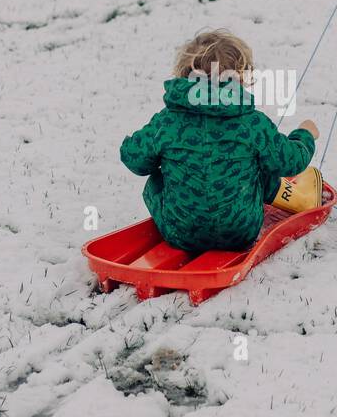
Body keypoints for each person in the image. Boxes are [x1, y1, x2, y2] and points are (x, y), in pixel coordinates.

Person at [120, 29, 322, 252]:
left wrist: (136, 144)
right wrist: (304, 135)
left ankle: (187, 214)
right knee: (262, 167)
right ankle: (294, 197)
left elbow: (135, 161)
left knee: (157, 177)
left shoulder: (167, 122)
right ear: (239, 77)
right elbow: (290, 161)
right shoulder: (251, 123)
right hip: (241, 232)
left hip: (180, 234)